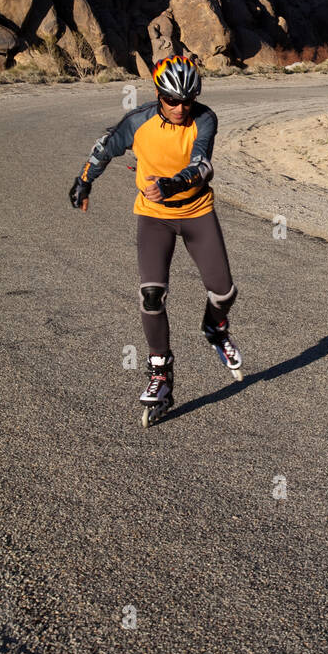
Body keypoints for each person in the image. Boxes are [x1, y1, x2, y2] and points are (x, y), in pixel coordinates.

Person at [68, 54, 241, 414]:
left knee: (223, 292)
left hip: (197, 213)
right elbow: (104, 149)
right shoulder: (138, 122)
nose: (180, 108)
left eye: (188, 100)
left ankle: (214, 327)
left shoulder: (205, 118)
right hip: (154, 217)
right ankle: (160, 372)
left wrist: (170, 183)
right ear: (159, 94)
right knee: (151, 294)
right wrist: (83, 181)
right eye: (172, 100)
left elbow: (202, 165)